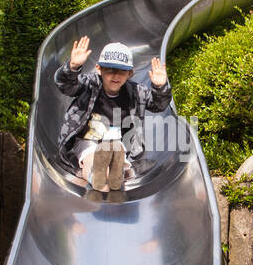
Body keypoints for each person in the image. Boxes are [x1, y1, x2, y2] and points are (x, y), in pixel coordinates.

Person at [54, 36, 172, 193]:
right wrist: (73, 67)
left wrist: (160, 87)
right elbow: (65, 86)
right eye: (110, 70)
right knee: (91, 157)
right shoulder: (89, 85)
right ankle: (98, 176)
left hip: (117, 144)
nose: (115, 76)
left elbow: (159, 105)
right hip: (87, 140)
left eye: (122, 72)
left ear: (130, 74)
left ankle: (113, 174)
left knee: (117, 153)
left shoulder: (137, 92)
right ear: (99, 69)